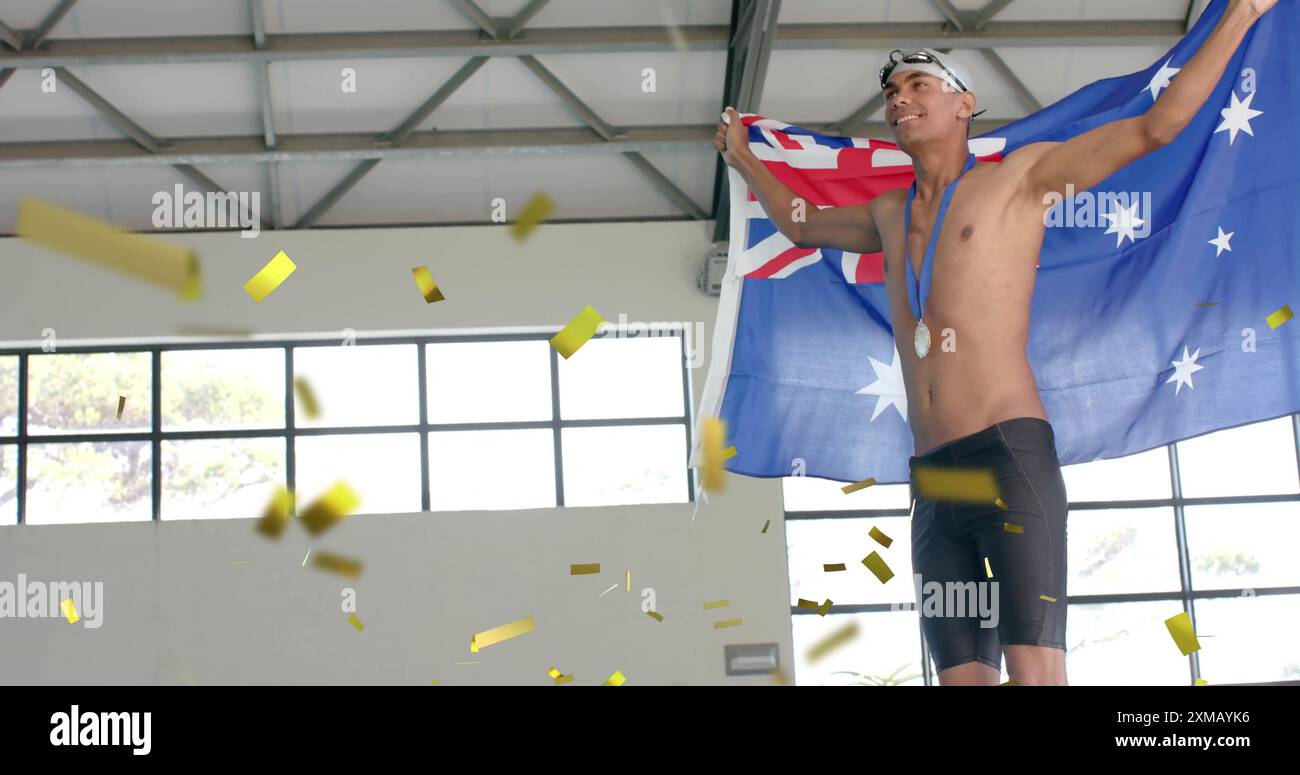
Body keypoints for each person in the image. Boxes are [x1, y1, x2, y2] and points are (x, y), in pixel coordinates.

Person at [713, 0, 1278, 685]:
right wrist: (744, 159)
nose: (899, 101)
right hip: (935, 478)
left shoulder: (1021, 182)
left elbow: (1157, 126)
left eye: (919, 85)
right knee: (962, 682)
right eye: (891, 94)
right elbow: (801, 226)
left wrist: (1244, 12)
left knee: (1036, 675)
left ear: (964, 104)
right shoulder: (890, 214)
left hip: (1006, 456)